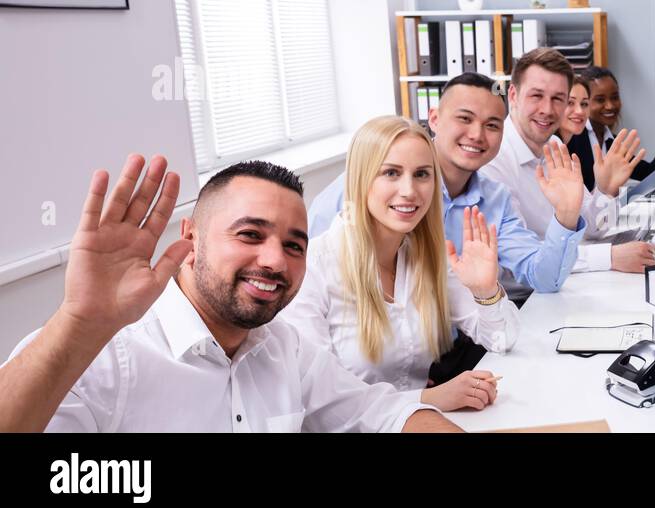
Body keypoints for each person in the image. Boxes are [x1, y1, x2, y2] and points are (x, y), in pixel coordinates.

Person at [1, 155, 460, 432]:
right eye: (249, 234)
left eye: (294, 245)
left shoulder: (283, 347)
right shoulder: (107, 351)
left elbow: (379, 414)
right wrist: (80, 322)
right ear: (192, 238)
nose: (275, 261)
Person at [282, 115, 519, 413]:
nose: (409, 191)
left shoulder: (425, 256)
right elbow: (319, 400)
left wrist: (485, 291)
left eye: (422, 174)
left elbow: (503, 339)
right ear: (362, 179)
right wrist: (427, 399)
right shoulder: (314, 268)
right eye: (391, 173)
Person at [308, 73, 588, 296]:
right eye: (464, 119)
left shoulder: (494, 200)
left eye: (492, 125)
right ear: (434, 119)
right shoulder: (368, 180)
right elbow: (311, 274)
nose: (477, 134)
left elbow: (543, 278)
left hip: (466, 340)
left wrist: (565, 214)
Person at [479, 48, 655, 274]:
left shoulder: (553, 145)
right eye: (536, 96)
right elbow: (525, 257)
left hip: (559, 284)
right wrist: (609, 257)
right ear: (513, 95)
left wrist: (606, 190)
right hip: (524, 299)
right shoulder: (494, 160)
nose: (547, 109)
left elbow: (592, 229)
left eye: (558, 99)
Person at [584, 66, 655, 183]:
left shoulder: (611, 142)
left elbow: (650, 176)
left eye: (614, 97)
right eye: (600, 99)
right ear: (584, 102)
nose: (610, 106)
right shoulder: (573, 138)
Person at [558, 75, 648, 195]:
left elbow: (585, 207)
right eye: (570, 102)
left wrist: (606, 190)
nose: (579, 111)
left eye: (584, 104)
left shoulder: (611, 141)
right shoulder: (562, 144)